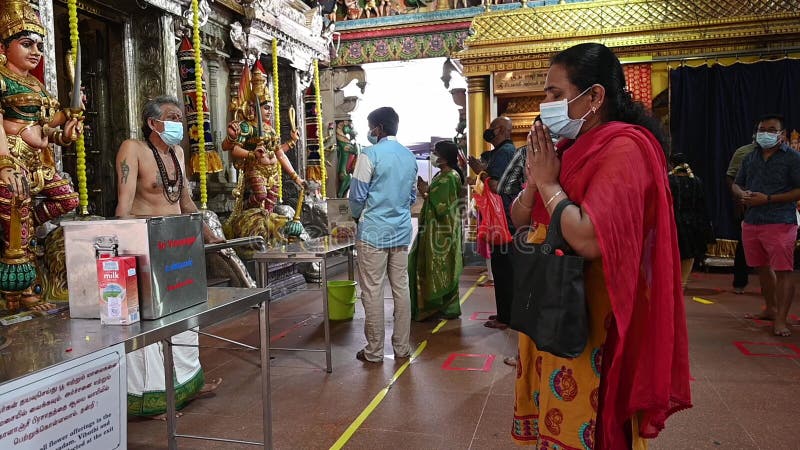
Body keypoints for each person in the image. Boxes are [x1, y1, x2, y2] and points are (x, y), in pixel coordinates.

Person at [510, 43, 691, 448]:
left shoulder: (625, 148)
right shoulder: (567, 148)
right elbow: (521, 219)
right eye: (546, 94)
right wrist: (535, 181)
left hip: (591, 314)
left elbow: (589, 237)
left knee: (589, 420)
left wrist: (550, 184)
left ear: (594, 96)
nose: (546, 104)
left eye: (556, 94)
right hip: (551, 301)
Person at [116, 95, 222, 417]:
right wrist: (128, 251)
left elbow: (185, 203)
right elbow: (123, 207)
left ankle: (189, 382)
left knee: (187, 317)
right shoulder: (132, 149)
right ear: (152, 123)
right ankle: (155, 400)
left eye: (180, 117)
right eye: (172, 117)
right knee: (154, 324)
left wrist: (211, 234)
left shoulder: (176, 152)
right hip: (147, 248)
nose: (179, 123)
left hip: (180, 247)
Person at [0, 1, 80, 311]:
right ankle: (21, 295)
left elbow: (47, 132)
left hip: (36, 164)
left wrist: (65, 133)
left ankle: (23, 226)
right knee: (15, 215)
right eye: (26, 43)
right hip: (11, 162)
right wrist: (4, 163)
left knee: (67, 199)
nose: (35, 51)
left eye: (39, 46)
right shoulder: (3, 79)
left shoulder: (38, 86)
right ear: (5, 47)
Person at [349, 106, 417, 363]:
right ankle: (402, 348)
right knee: (401, 288)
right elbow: (411, 196)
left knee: (373, 290)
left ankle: (374, 351)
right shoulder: (409, 157)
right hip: (400, 231)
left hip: (373, 232)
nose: (370, 132)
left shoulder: (370, 154)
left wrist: (359, 216)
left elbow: (356, 196)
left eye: (371, 127)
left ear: (378, 128)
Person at [732, 113, 800, 337]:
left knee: (783, 271)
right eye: (762, 129)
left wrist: (768, 199)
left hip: (780, 220)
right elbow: (736, 183)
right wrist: (742, 194)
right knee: (761, 268)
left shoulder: (792, 158)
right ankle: (770, 309)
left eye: (771, 130)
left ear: (781, 134)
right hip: (752, 221)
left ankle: (781, 319)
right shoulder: (750, 156)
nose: (766, 133)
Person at [467, 116, 516, 329]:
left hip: (503, 219)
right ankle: (504, 314)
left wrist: (481, 172)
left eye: (493, 128)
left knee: (504, 271)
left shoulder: (505, 152)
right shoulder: (501, 152)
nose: (489, 131)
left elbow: (496, 186)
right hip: (501, 218)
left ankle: (507, 317)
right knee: (501, 269)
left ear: (504, 131)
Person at [409, 140, 464, 321]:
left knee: (439, 267)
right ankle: (437, 305)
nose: (433, 155)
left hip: (441, 232)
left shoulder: (450, 177)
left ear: (445, 156)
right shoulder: (443, 174)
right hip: (433, 230)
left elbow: (443, 206)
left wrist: (426, 191)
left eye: (435, 152)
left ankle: (439, 306)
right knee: (431, 266)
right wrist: (426, 191)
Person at [668, 153, 714, 289]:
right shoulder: (696, 181)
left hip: (673, 225)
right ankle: (681, 285)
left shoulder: (668, 181)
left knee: (672, 256)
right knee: (688, 256)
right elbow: (702, 207)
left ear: (671, 164)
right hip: (693, 226)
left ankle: (671, 287)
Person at [726, 133, 758, 293]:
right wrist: (739, 199)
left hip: (774, 207)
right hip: (747, 205)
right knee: (744, 245)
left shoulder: (784, 155)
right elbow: (731, 178)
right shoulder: (744, 152)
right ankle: (740, 282)